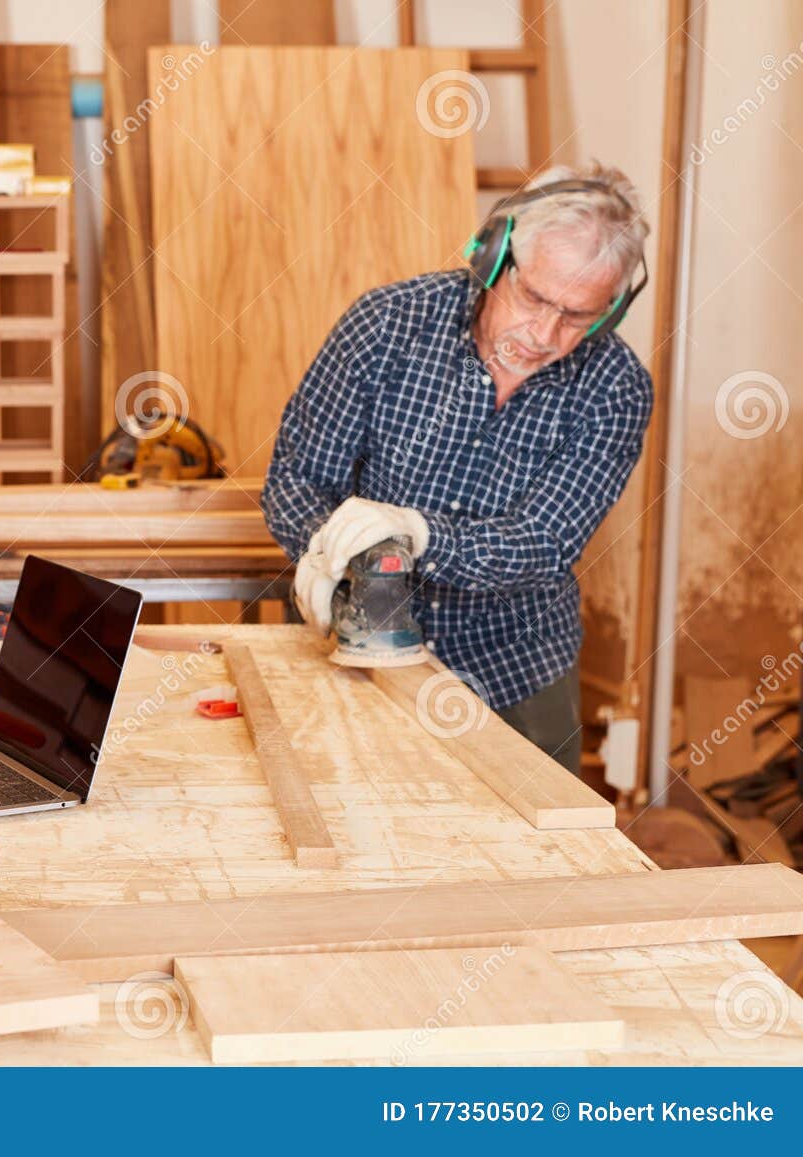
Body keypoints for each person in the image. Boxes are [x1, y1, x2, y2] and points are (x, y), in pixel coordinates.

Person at [263, 163, 653, 774]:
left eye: (578, 316)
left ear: (612, 310)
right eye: (533, 298)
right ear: (493, 257)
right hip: (352, 649)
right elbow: (298, 476)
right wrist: (328, 553)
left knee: (537, 831)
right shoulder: (388, 324)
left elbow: (545, 541)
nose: (544, 334)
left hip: (515, 667)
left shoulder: (616, 386)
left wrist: (419, 534)